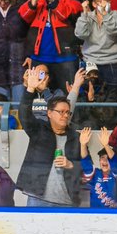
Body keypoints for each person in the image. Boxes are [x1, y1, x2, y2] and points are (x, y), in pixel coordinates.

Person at [16, 68, 82, 207]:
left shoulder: (75, 137)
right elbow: (24, 114)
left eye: (68, 113)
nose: (65, 115)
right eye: (61, 112)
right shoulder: (39, 130)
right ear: (49, 113)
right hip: (38, 199)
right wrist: (30, 89)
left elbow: (85, 168)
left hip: (66, 202)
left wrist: (71, 165)